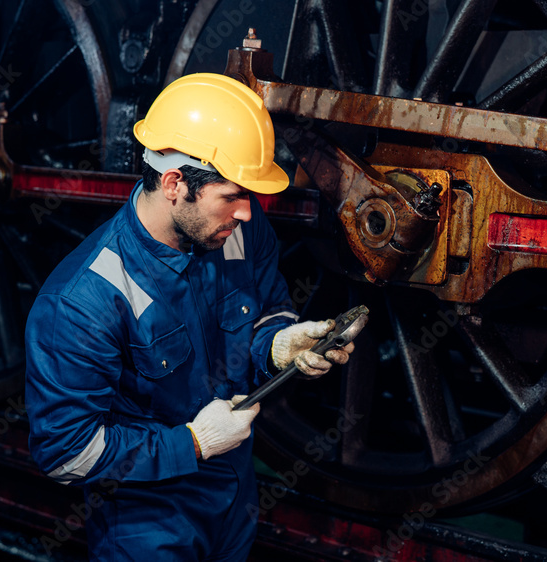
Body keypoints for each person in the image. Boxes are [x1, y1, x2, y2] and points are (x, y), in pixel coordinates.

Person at [24, 73, 354, 561]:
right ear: (175, 184)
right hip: (146, 517)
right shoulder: (82, 302)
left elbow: (264, 311)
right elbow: (66, 452)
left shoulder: (235, 230)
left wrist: (280, 343)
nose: (248, 212)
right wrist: (192, 444)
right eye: (234, 194)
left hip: (234, 496)